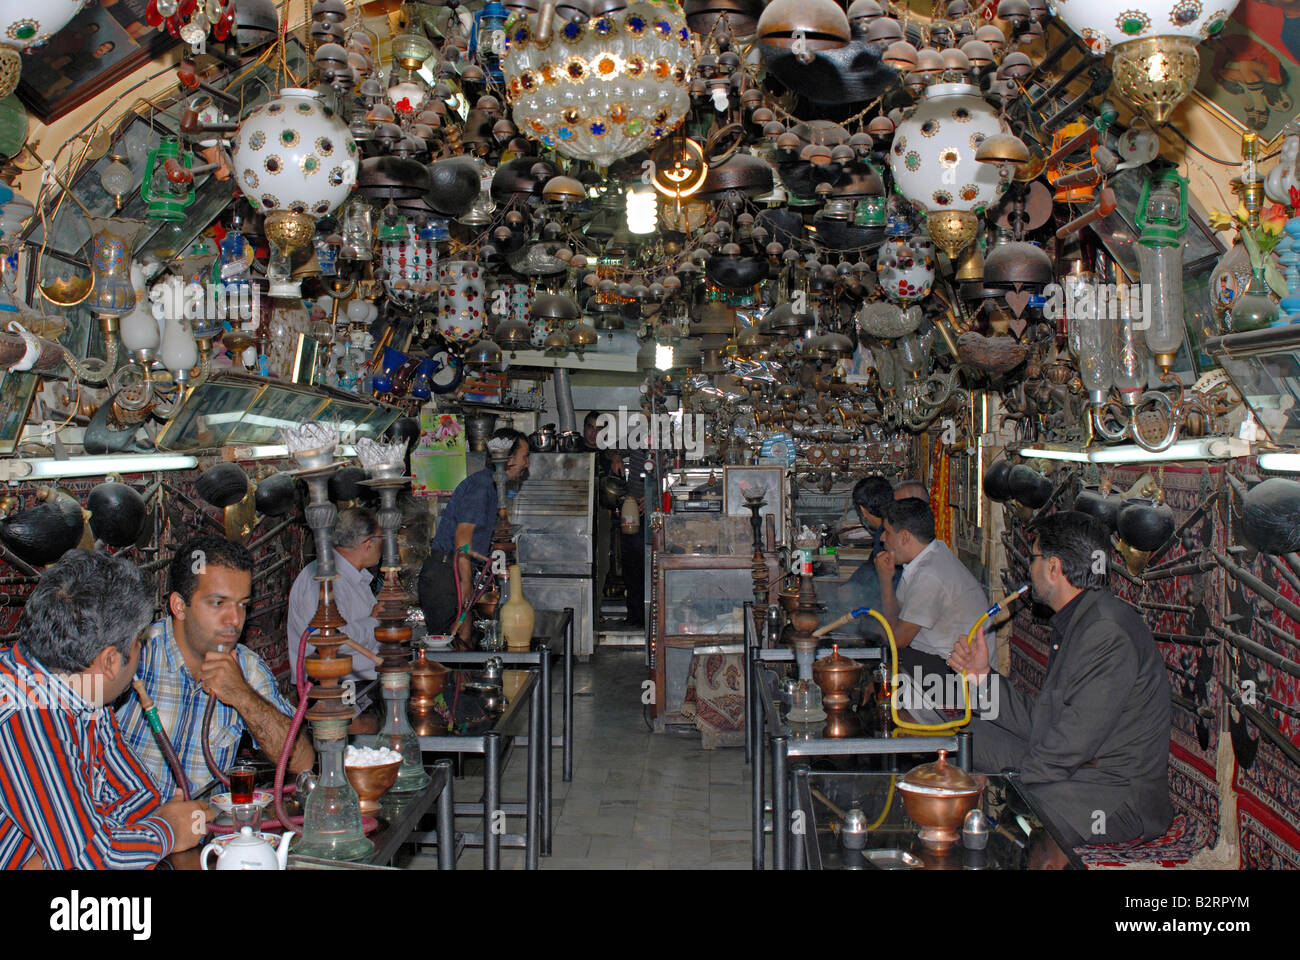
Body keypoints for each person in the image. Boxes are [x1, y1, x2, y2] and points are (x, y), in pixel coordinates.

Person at [950, 511, 1174, 860]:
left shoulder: (1105, 631)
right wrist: (981, 676)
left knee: (1033, 804)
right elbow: (1046, 719)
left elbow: (1071, 743)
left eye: (1034, 558)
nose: (1030, 568)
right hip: (1081, 766)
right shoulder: (1080, 619)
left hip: (1116, 794)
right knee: (967, 736)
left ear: (1054, 567)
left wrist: (1015, 786)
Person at [0, 551, 210, 869]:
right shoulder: (26, 717)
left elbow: (144, 794)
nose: (143, 648)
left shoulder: (80, 688)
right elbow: (92, 860)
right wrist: (169, 830)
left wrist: (99, 832)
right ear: (110, 661)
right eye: (140, 640)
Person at [117, 537, 313, 798]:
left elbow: (302, 763)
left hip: (208, 832)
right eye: (218, 603)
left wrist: (242, 696)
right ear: (179, 606)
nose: (234, 620)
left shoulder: (246, 667)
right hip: (131, 826)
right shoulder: (136, 655)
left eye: (242, 604)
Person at [419, 427, 530, 646]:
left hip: (455, 572)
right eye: (525, 457)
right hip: (446, 575)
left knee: (464, 639)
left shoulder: (490, 486)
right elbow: (463, 538)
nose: (527, 464)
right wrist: (466, 583)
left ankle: (461, 679)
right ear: (507, 458)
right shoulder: (481, 487)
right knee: (446, 646)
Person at [287, 507, 384, 733]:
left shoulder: (354, 578)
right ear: (368, 543)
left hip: (362, 681)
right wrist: (374, 621)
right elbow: (330, 640)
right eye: (381, 539)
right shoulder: (321, 580)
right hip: (333, 687)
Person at [875, 497, 991, 684]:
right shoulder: (930, 555)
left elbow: (896, 640)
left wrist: (885, 582)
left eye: (887, 532)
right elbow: (896, 618)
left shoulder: (930, 574)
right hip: (936, 661)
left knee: (883, 675)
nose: (882, 538)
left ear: (905, 537)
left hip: (958, 674)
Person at [831, 475, 895, 640]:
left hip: (894, 614)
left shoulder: (886, 534)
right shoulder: (888, 529)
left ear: (863, 510)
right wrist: (853, 584)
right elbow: (871, 565)